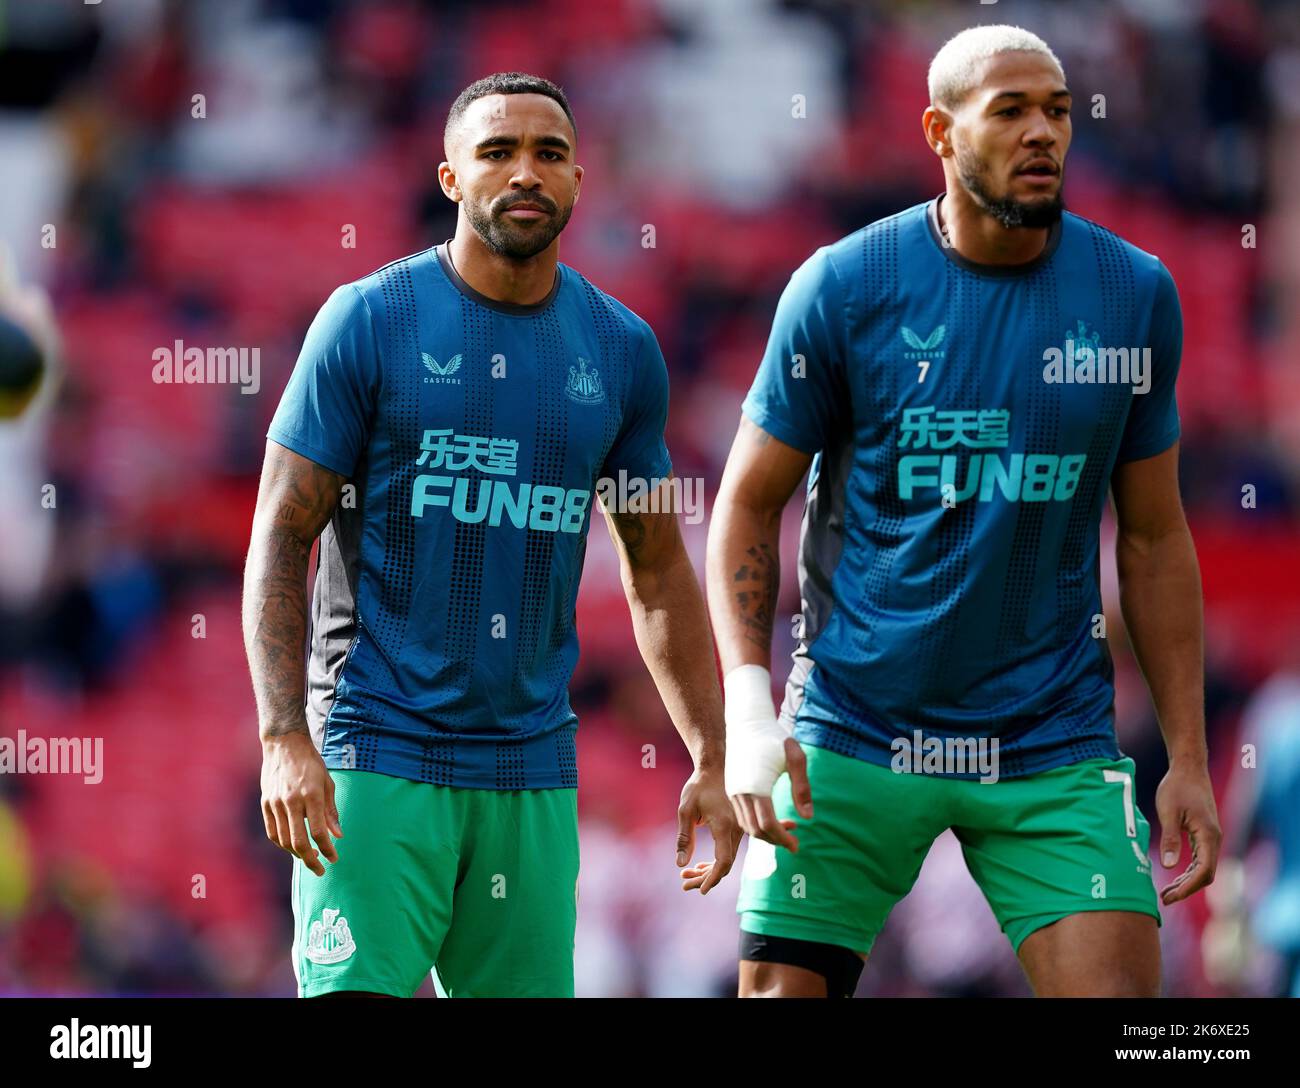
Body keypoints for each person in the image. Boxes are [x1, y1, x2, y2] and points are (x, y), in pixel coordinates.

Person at [702, 25, 1219, 998]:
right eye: (1010, 110)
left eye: (1057, 112)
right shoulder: (844, 285)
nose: (1042, 134)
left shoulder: (1132, 295)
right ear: (941, 131)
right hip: (849, 725)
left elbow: (1152, 534)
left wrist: (1187, 757)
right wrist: (745, 711)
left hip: (1048, 737)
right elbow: (744, 503)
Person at [244, 72, 738, 998]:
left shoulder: (621, 349)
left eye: (549, 154)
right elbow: (279, 537)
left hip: (531, 773)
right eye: (498, 152)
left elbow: (659, 570)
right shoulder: (369, 321)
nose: (525, 172)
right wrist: (283, 736)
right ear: (450, 178)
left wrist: (711, 754)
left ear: (579, 182)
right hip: (374, 751)